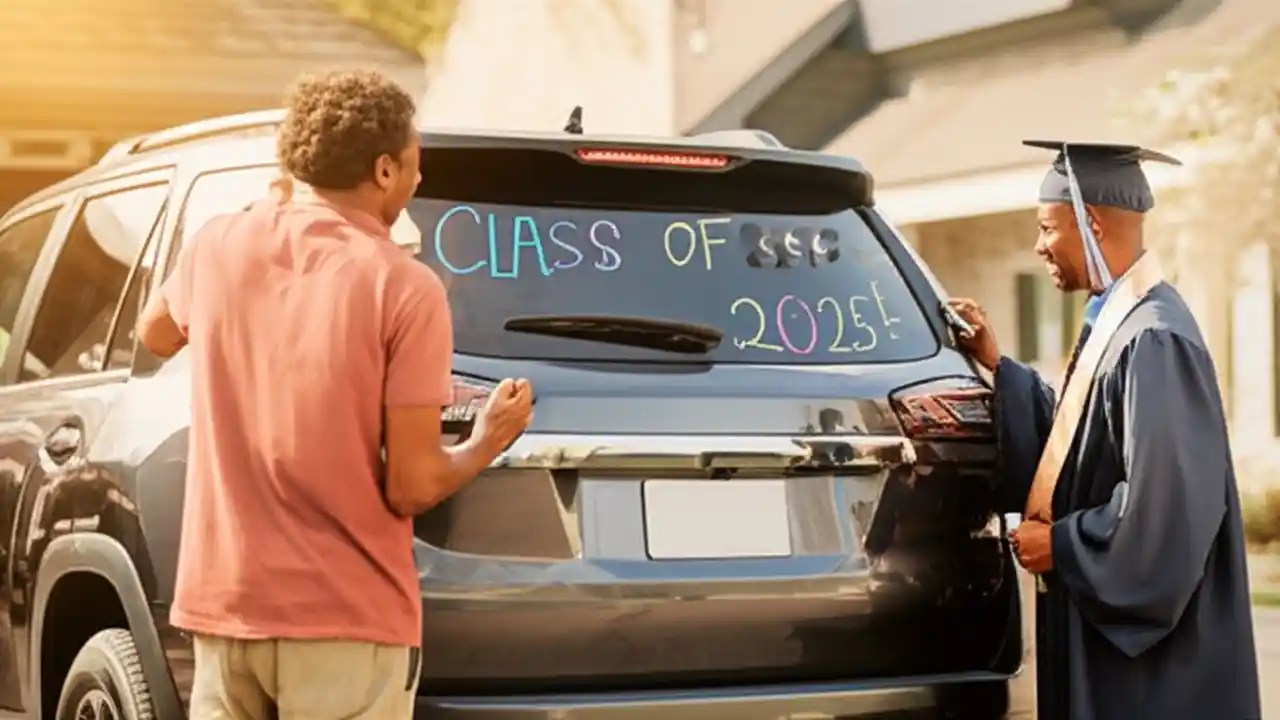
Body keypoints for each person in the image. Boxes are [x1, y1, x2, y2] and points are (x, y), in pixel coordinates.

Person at [137, 69, 533, 719]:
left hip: (225, 612)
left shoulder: (218, 245)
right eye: (414, 164)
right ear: (383, 171)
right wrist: (488, 438)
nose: (419, 179)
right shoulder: (404, 288)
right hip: (345, 622)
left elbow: (155, 333)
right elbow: (411, 484)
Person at [947, 140, 1260, 720]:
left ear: (1090, 221)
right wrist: (999, 369)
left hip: (1155, 671)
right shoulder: (1123, 325)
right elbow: (1082, 452)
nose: (1039, 246)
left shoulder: (1154, 338)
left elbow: (1164, 513)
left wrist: (1062, 547)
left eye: (1047, 228)